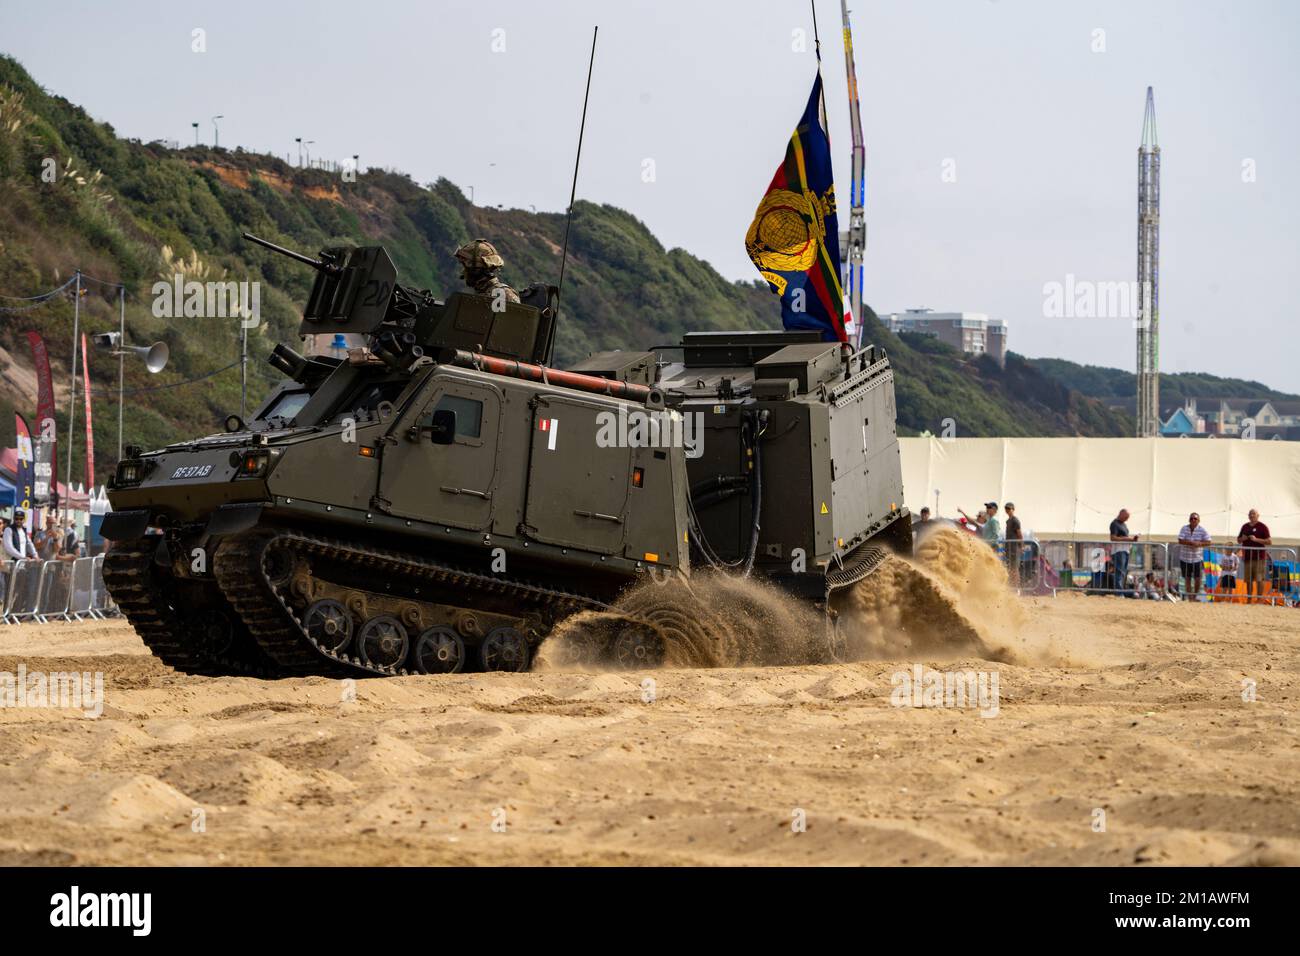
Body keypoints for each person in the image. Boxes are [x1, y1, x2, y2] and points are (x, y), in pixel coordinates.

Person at [453, 239, 520, 305]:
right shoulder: (477, 293)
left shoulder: (502, 295)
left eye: (466, 265)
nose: (464, 272)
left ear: (478, 268)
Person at [1236, 508, 1272, 603]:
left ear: (1258, 515)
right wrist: (1242, 539)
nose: (1252, 515)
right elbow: (1238, 540)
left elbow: (1269, 541)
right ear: (1248, 516)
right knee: (1248, 580)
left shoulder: (1263, 526)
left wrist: (1256, 540)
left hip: (1259, 558)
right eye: (1250, 514)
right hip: (1247, 557)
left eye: (1254, 514)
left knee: (1259, 579)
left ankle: (1259, 599)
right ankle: (1249, 599)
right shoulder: (1244, 526)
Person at [1177, 512, 1212, 599]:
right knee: (1187, 579)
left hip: (1197, 558)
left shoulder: (1202, 530)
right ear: (1189, 520)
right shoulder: (1184, 528)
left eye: (1195, 518)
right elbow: (1180, 540)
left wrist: (1199, 544)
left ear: (1198, 520)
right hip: (1185, 558)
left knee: (1198, 579)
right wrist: (1191, 543)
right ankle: (1190, 597)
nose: (1193, 520)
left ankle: (1194, 596)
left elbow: (1209, 542)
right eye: (1192, 518)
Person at [1108, 508, 1140, 594]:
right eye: (1126, 517)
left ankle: (1120, 591)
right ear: (1121, 514)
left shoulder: (1124, 525)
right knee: (1119, 571)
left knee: (1123, 572)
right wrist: (1128, 539)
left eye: (1127, 517)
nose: (1127, 519)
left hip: (1125, 550)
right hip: (1119, 550)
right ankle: (1119, 592)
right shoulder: (1114, 524)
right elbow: (1113, 538)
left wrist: (1131, 539)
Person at [1003, 502, 1022, 586]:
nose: (1007, 510)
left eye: (1009, 508)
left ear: (1013, 509)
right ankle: (1012, 585)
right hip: (1009, 548)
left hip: (1014, 548)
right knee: (1010, 568)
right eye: (1006, 508)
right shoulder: (1008, 521)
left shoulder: (1015, 520)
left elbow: (1019, 534)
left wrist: (1021, 546)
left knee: (1015, 568)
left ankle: (1017, 586)